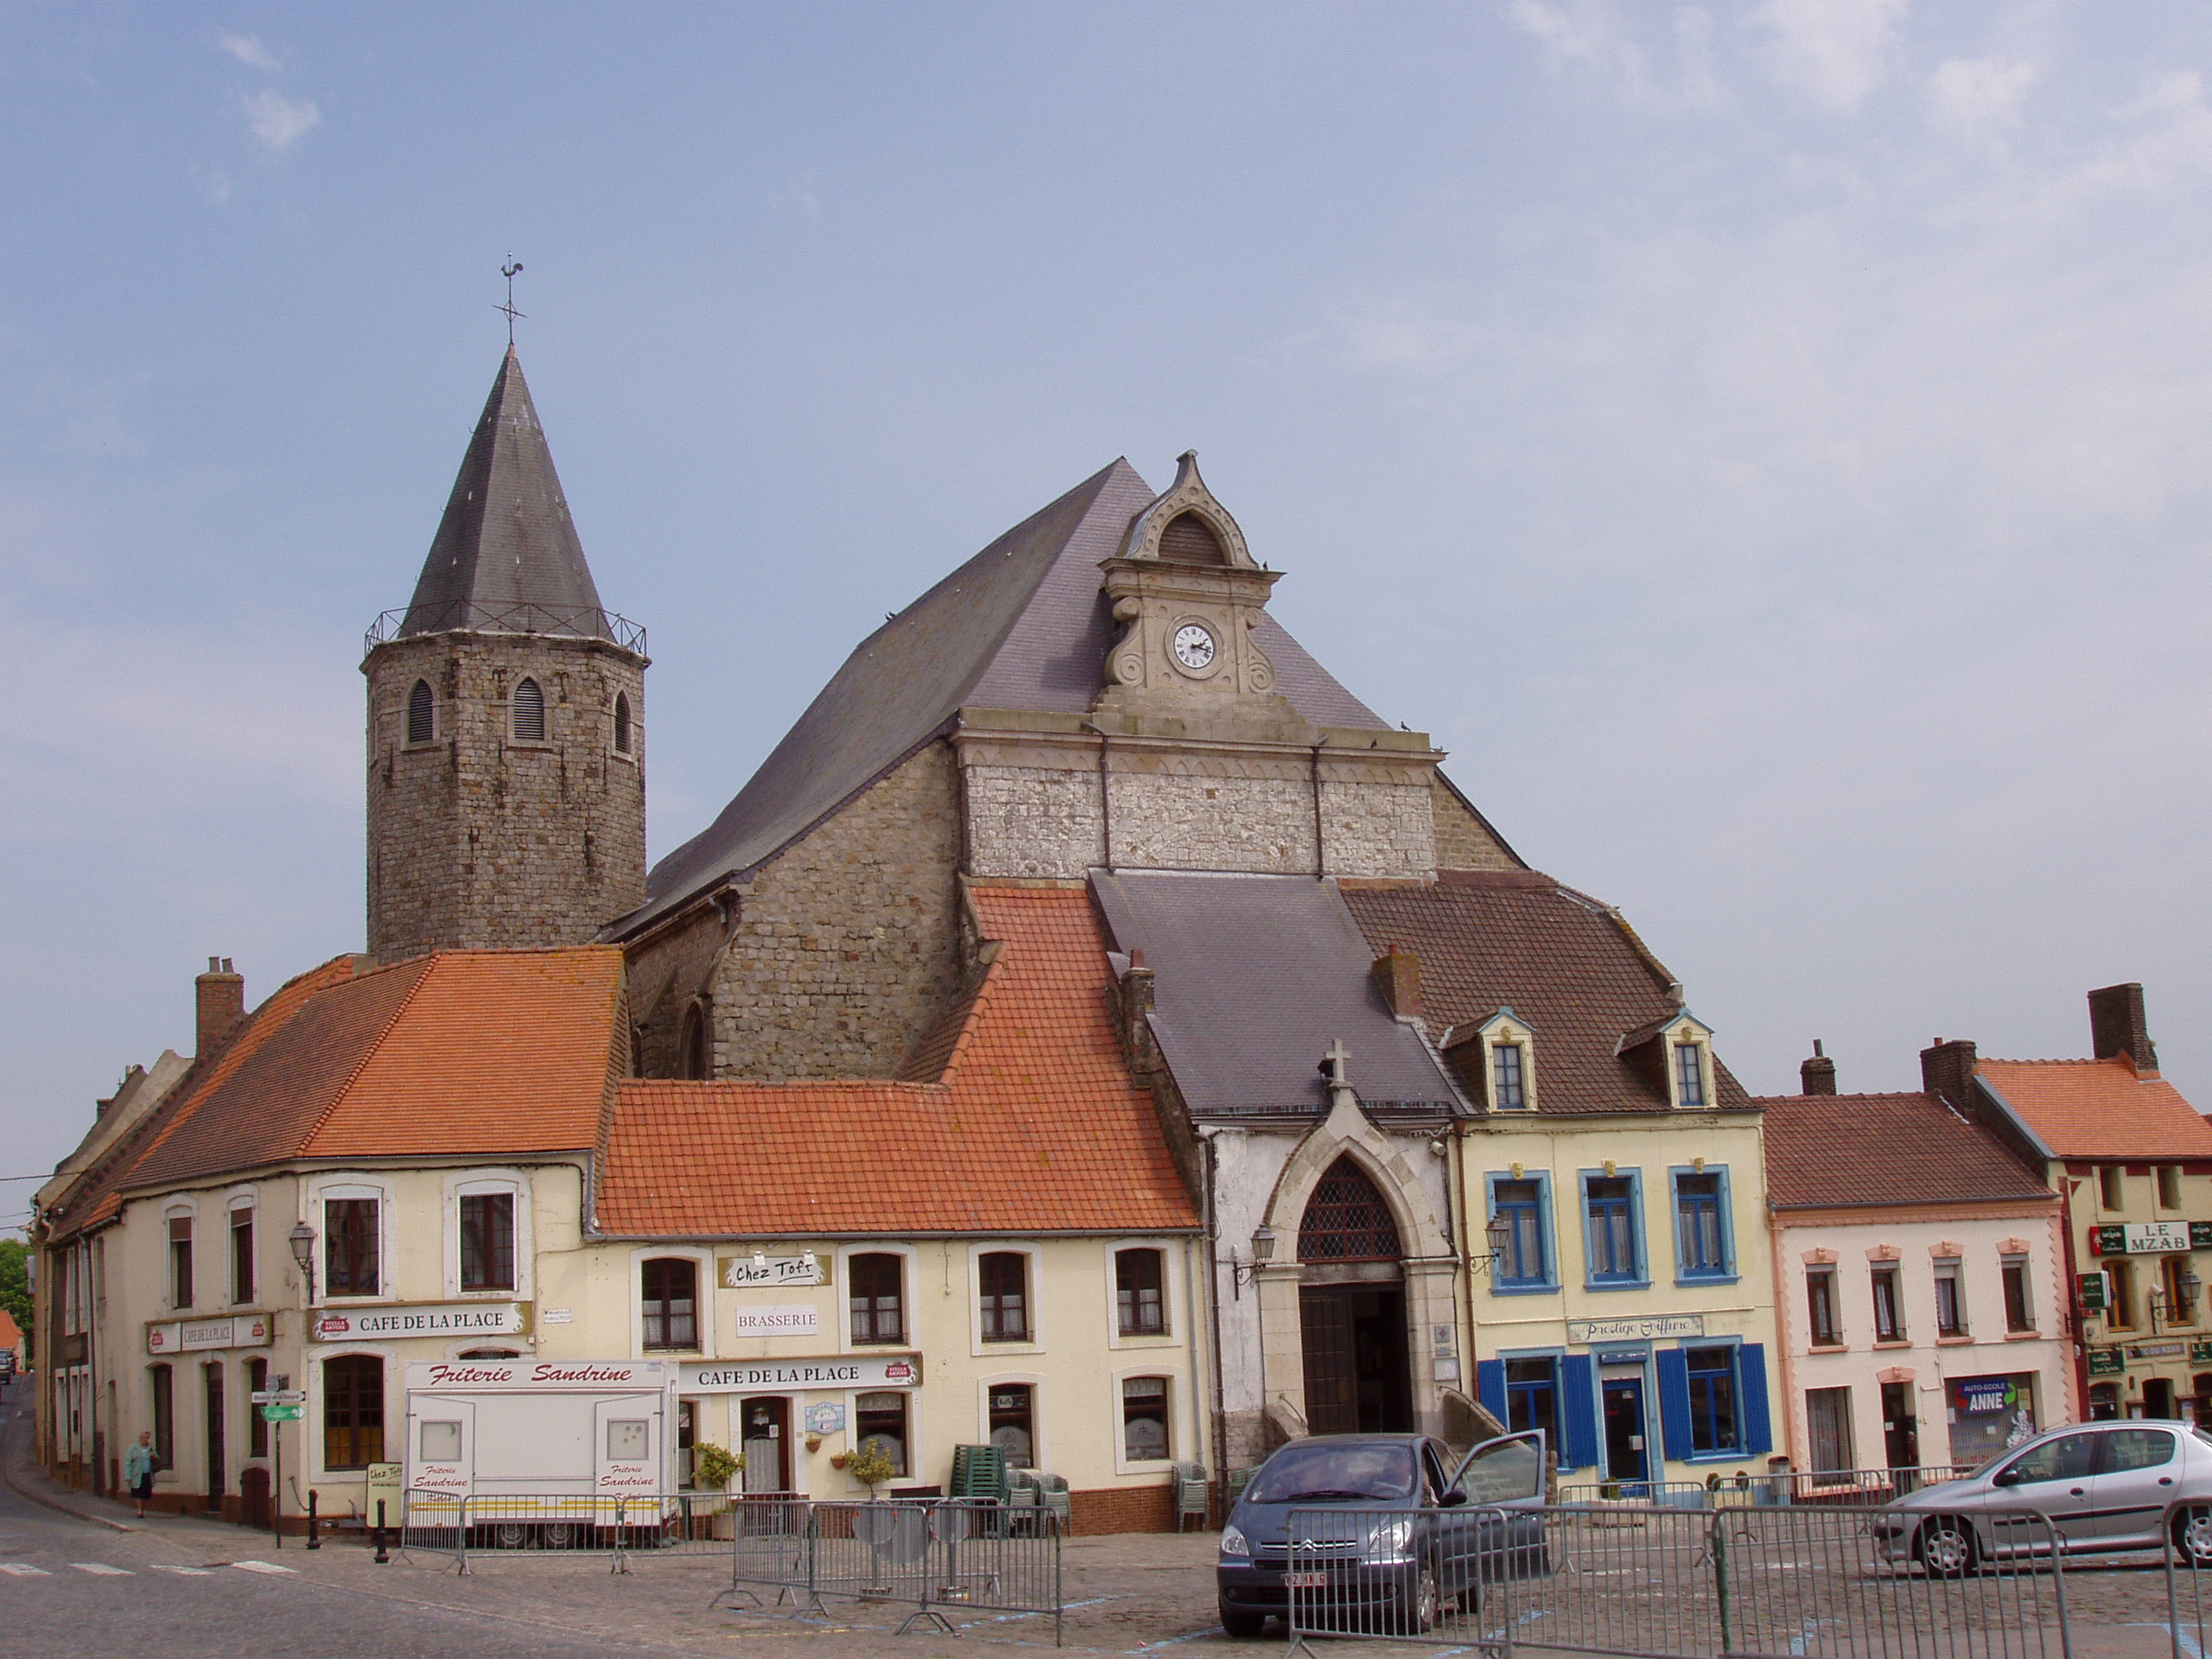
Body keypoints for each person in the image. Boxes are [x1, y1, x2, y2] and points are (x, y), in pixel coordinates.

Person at [124, 1430, 156, 1518]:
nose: (145, 1440)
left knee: (145, 1493)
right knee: (137, 1493)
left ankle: (142, 1508)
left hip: (147, 1474)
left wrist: (153, 1456)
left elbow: (156, 1458)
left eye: (147, 1438)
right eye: (143, 1438)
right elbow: (128, 1462)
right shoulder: (133, 1448)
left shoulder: (150, 1448)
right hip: (136, 1475)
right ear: (140, 1439)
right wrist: (128, 1475)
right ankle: (139, 1511)